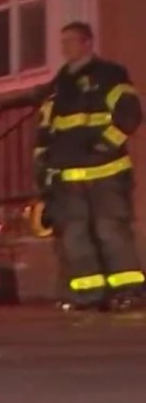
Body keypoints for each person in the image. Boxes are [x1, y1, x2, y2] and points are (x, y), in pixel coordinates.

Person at [35, 21, 144, 311]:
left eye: (71, 41)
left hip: (106, 173)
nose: (65, 47)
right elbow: (45, 130)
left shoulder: (109, 75)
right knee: (74, 237)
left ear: (87, 43)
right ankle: (88, 294)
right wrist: (44, 168)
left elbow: (130, 114)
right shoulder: (58, 86)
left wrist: (104, 147)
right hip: (68, 178)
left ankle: (129, 291)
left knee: (111, 231)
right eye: (63, 42)